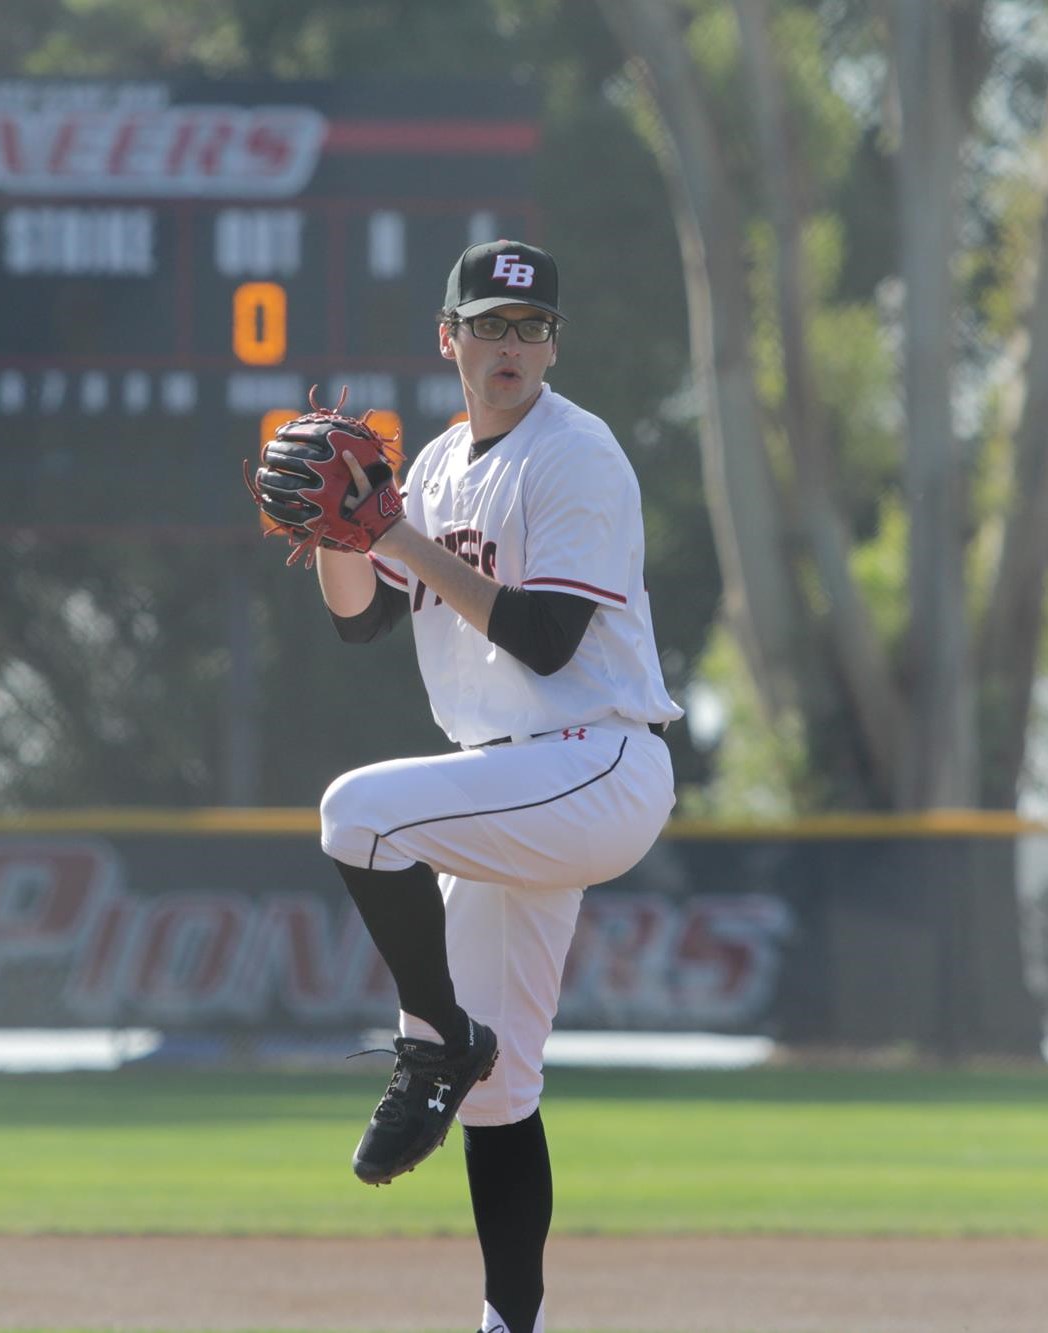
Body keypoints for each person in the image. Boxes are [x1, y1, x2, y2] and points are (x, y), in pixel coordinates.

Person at [312, 238, 682, 1333]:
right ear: (450, 339)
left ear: (552, 342)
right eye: (489, 324)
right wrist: (335, 531)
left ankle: (434, 1037)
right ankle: (508, 1322)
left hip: (597, 757)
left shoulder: (579, 456)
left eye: (530, 328)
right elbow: (363, 615)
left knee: (356, 815)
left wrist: (391, 532)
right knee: (503, 1094)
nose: (511, 344)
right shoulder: (429, 468)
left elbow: (548, 636)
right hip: (511, 781)